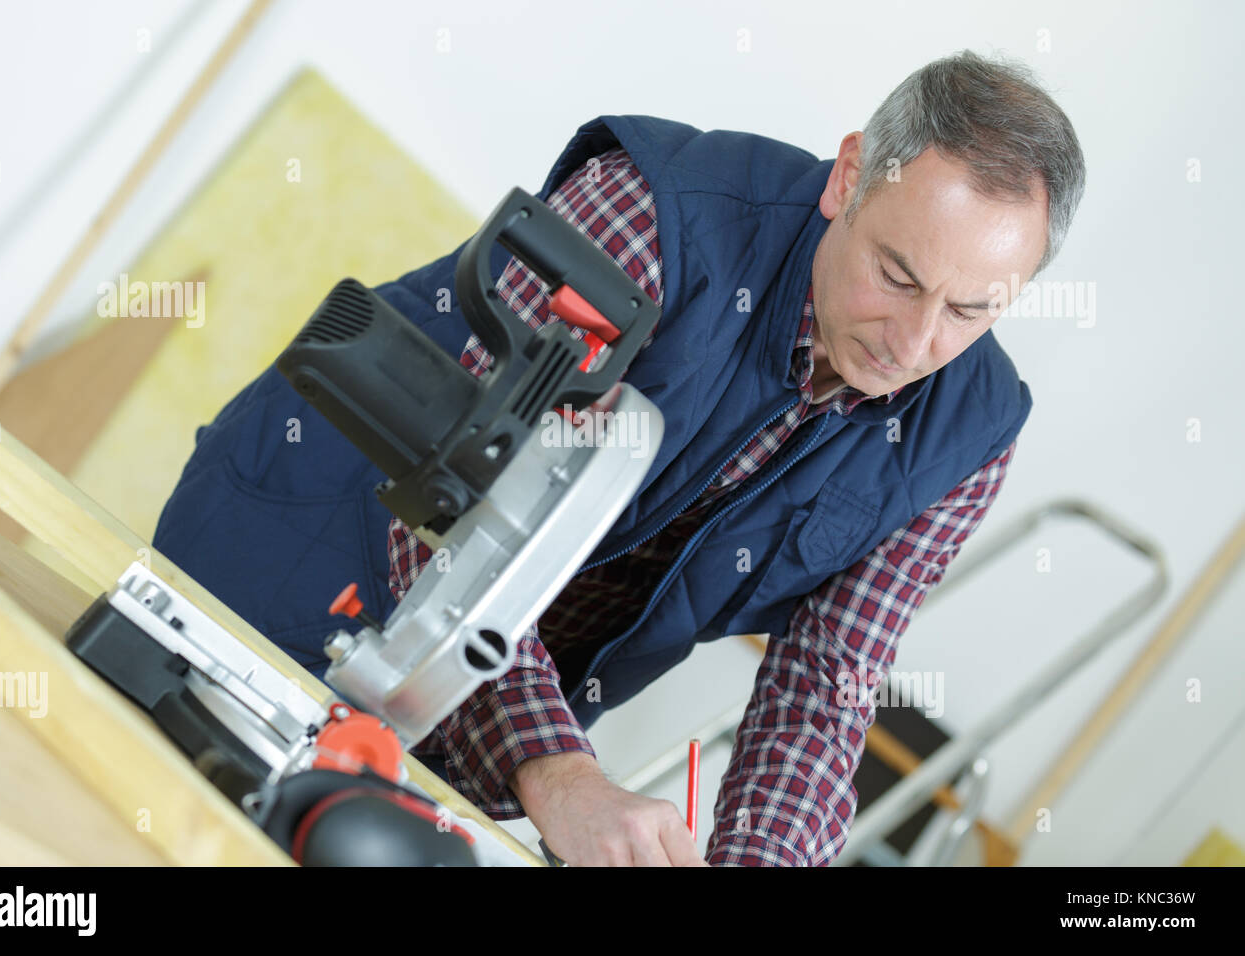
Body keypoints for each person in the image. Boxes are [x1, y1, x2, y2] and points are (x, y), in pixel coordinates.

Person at [153, 48, 1085, 866]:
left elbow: (823, 687)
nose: (916, 343)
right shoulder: (657, 216)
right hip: (302, 557)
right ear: (847, 178)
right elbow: (457, 505)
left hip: (481, 707)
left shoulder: (970, 433)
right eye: (898, 275)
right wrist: (558, 773)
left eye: (971, 312)